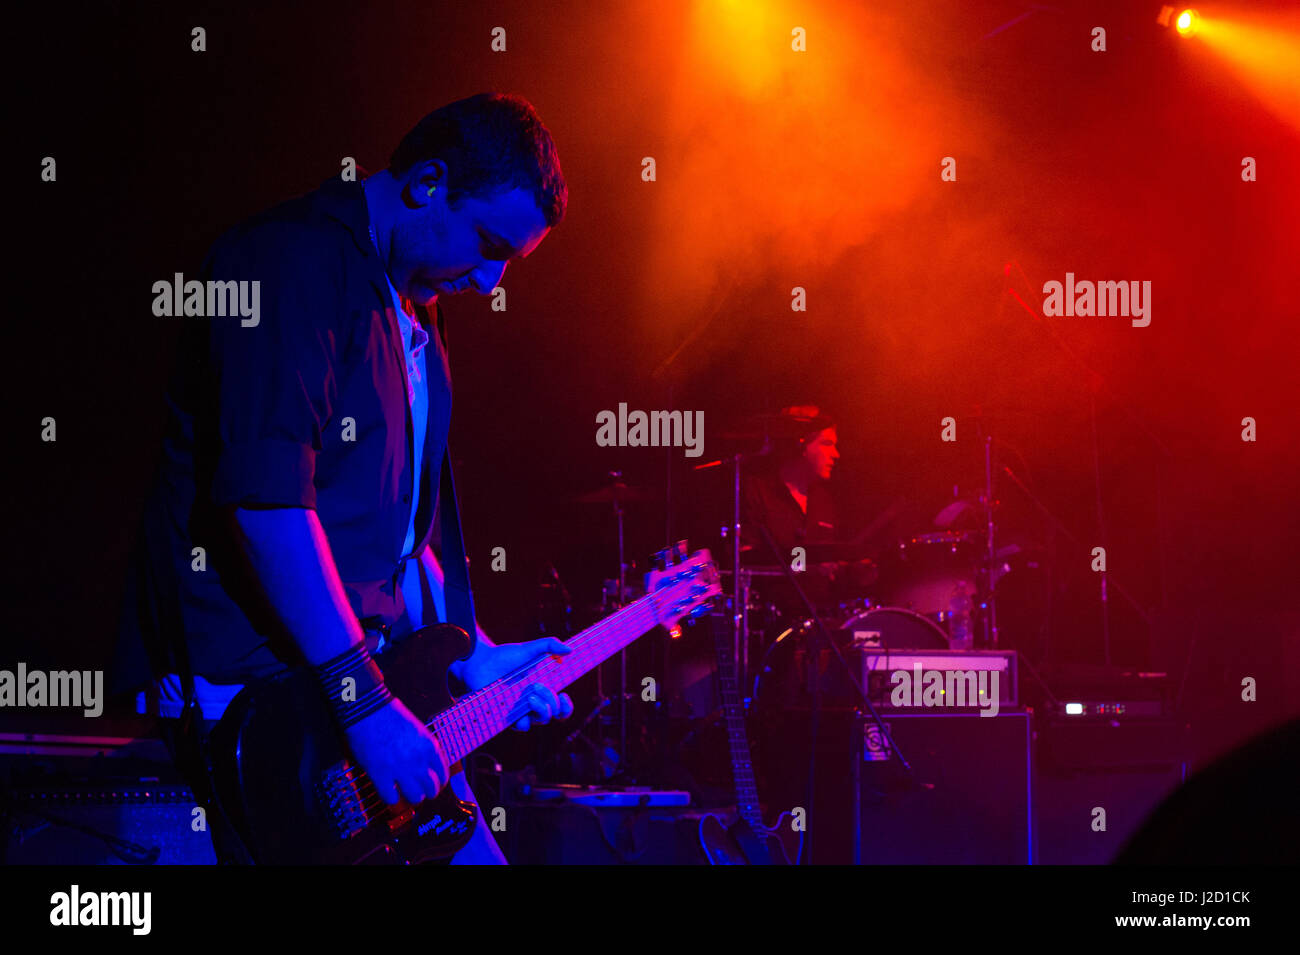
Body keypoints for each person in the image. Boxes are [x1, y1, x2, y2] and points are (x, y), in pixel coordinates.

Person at [113, 92, 571, 864]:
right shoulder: (289, 262)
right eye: (488, 243)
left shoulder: (417, 311)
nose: (492, 280)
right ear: (428, 182)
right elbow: (265, 505)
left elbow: (399, 540)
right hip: (258, 703)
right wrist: (365, 705)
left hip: (357, 691)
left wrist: (473, 654)